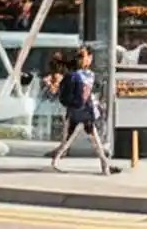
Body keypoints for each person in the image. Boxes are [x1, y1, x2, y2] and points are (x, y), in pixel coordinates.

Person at [50, 46, 120, 175]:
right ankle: (56, 161)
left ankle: (105, 165)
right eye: (86, 56)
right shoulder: (83, 75)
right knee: (72, 140)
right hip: (82, 112)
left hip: (79, 112)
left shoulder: (78, 74)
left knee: (81, 140)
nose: (88, 59)